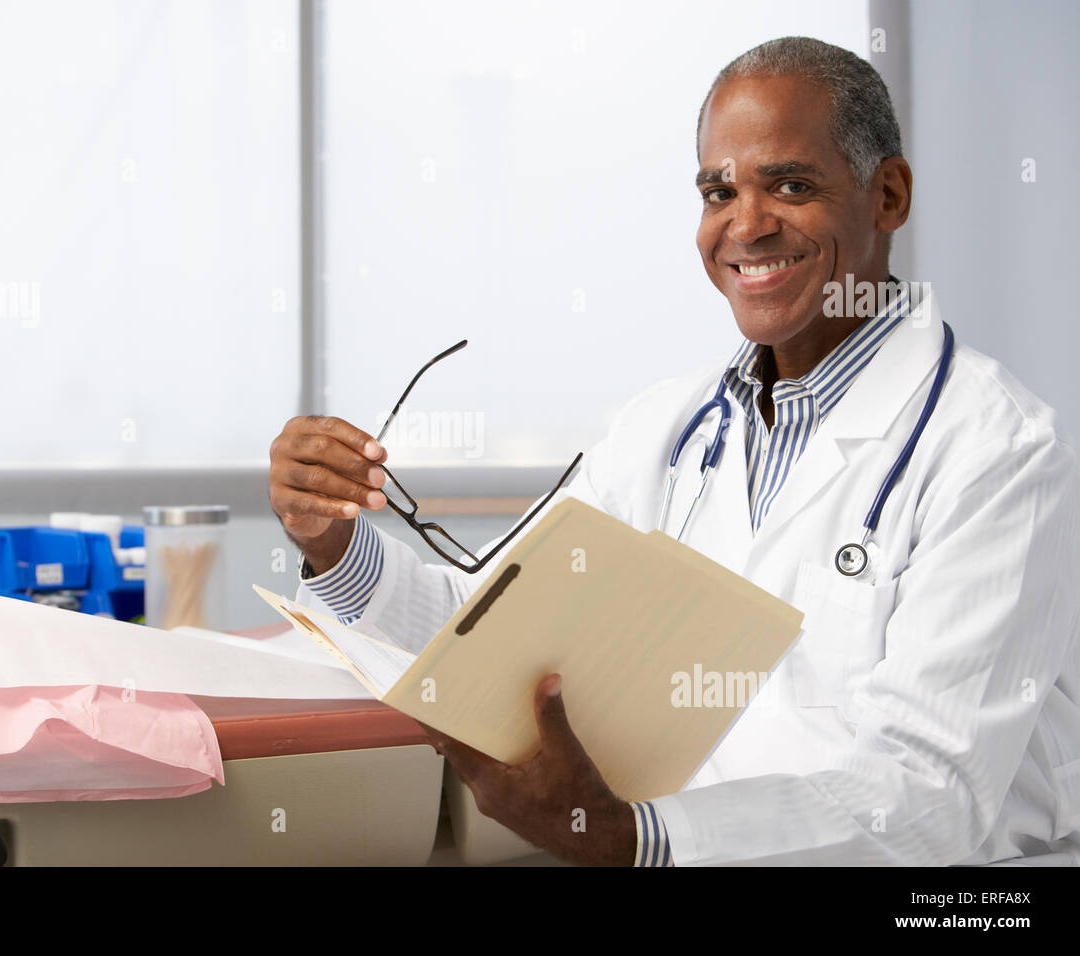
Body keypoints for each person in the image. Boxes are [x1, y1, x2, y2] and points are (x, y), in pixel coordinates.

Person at [266, 37, 1080, 866]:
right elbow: (484, 634)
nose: (748, 225)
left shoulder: (999, 450)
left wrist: (639, 840)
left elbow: (929, 798)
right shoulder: (662, 429)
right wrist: (331, 542)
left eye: (791, 185)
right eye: (718, 191)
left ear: (889, 194)